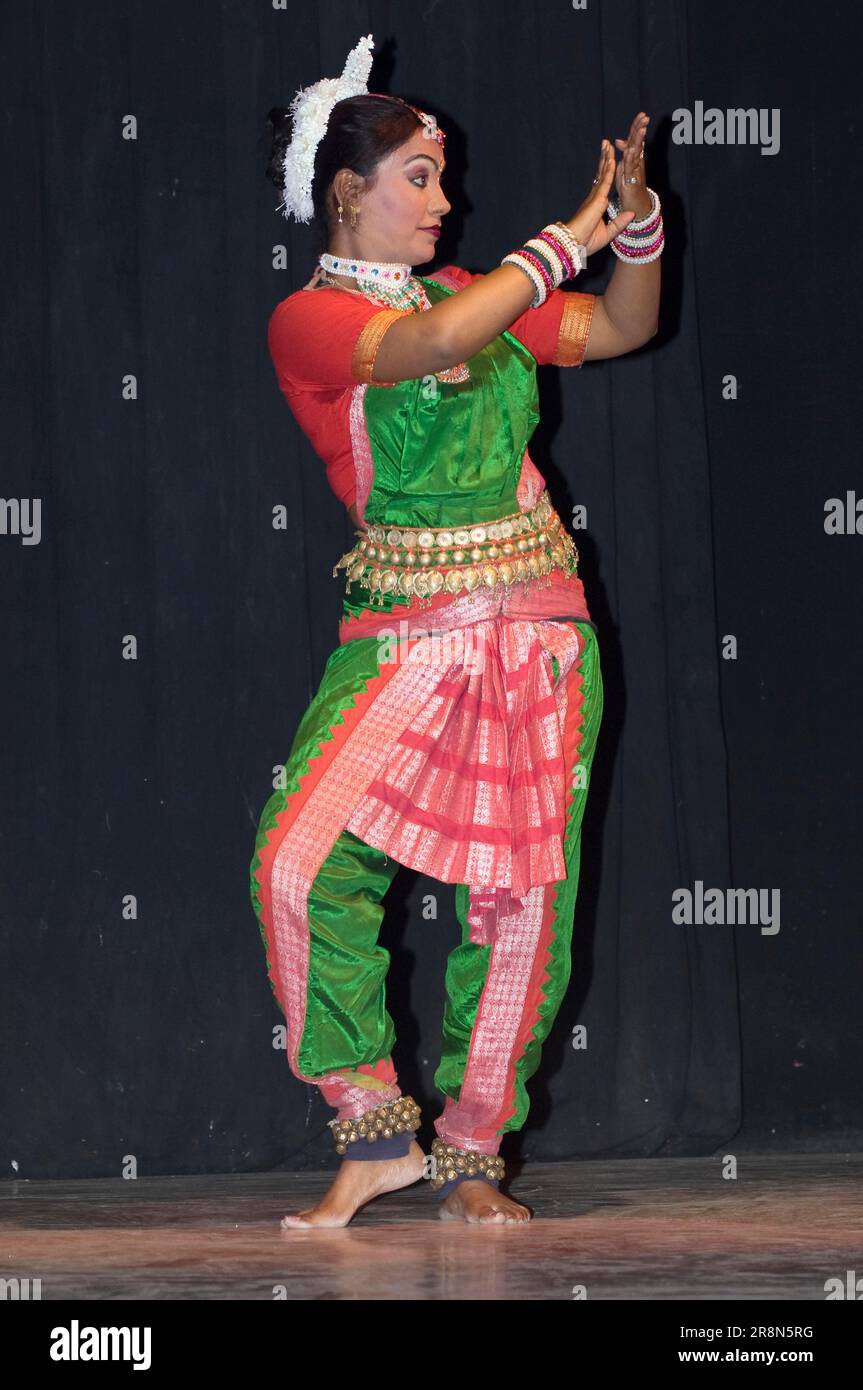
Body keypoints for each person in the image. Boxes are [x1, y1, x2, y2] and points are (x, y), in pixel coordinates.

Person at [250, 34, 662, 1227]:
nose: (445, 199)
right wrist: (562, 242)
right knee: (300, 862)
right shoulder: (312, 321)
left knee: (518, 893)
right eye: (420, 179)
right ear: (346, 193)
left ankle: (473, 1152)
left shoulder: (476, 298)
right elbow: (428, 349)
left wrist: (629, 231)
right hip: (399, 632)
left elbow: (625, 328)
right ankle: (372, 1127)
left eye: (442, 178)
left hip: (534, 627)